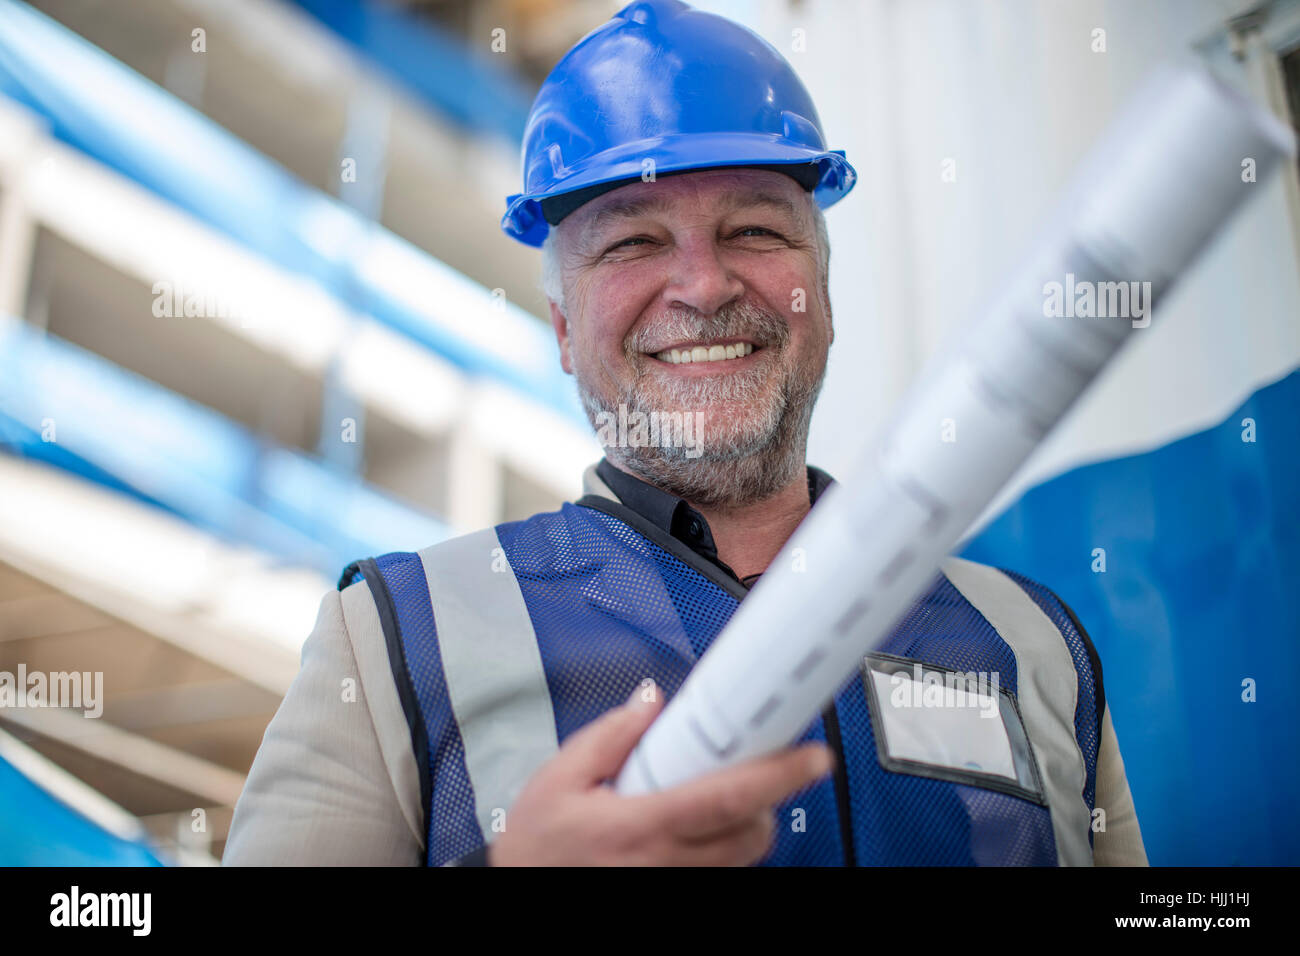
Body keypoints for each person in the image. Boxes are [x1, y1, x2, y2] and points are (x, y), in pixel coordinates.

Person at [225, 0, 1145, 867]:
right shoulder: (395, 636)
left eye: (753, 230)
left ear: (819, 296)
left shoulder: (1032, 643)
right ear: (561, 331)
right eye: (632, 243)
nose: (704, 287)